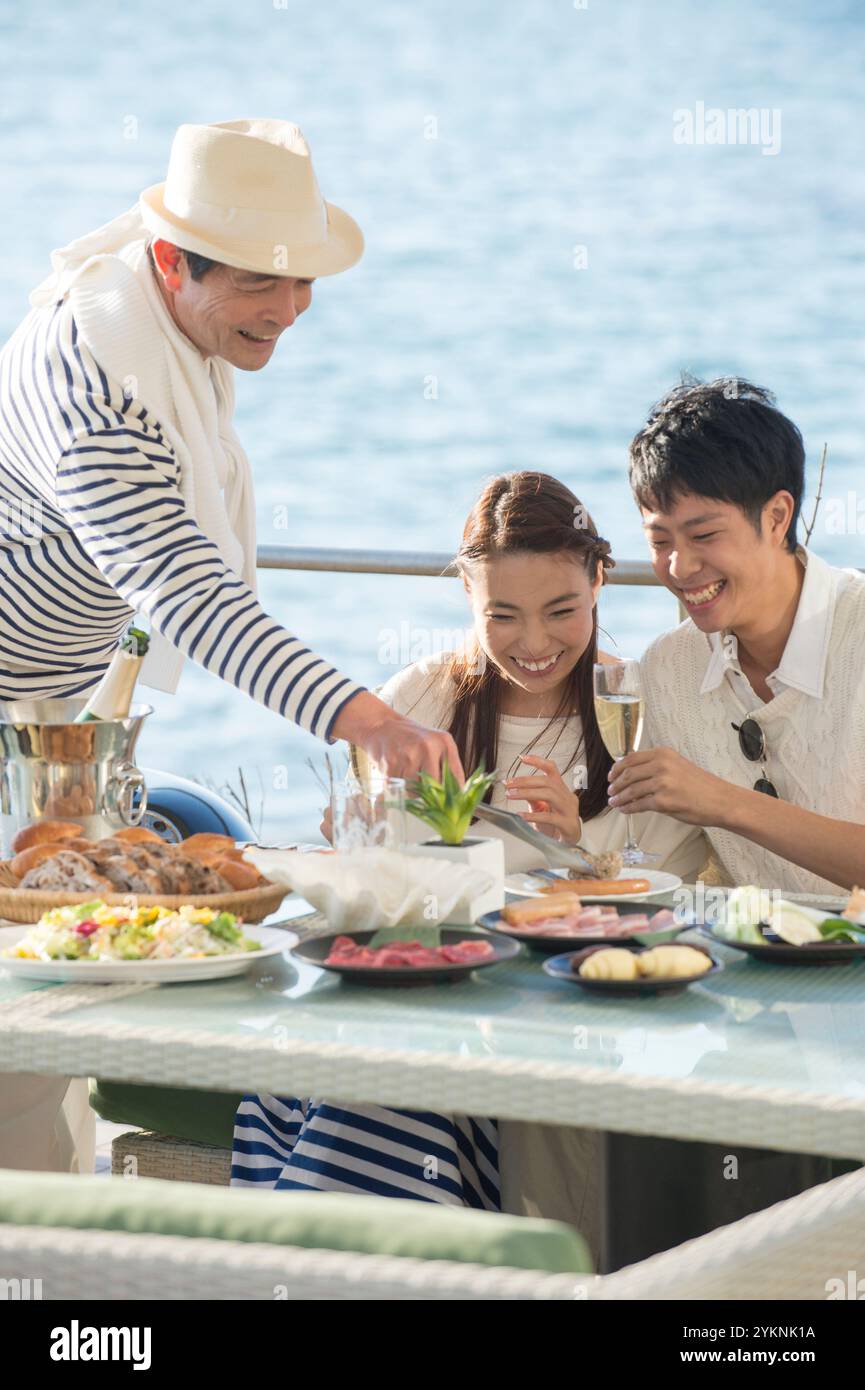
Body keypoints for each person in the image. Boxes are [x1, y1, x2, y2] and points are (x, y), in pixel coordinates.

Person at [0, 118, 462, 1173]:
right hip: (16, 707)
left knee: (51, 1013)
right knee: (23, 1029)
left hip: (48, 716)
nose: (288, 309)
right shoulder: (97, 383)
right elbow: (188, 597)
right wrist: (368, 721)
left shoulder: (157, 330)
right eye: (261, 280)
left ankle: (55, 1238)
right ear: (173, 261)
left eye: (303, 281)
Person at [231, 472, 708, 1236]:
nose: (534, 644)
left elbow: (663, 897)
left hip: (545, 1024)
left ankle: (310, 1259)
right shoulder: (419, 704)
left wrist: (577, 852)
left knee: (379, 1094)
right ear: (466, 596)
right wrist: (358, 840)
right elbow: (376, 887)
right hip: (416, 1001)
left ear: (599, 580)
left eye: (562, 611)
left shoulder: (637, 704)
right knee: (327, 1074)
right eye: (502, 616)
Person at [608, 377, 865, 895]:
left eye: (704, 535)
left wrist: (725, 803)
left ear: (776, 518)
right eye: (659, 541)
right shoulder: (668, 667)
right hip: (742, 946)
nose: (679, 566)